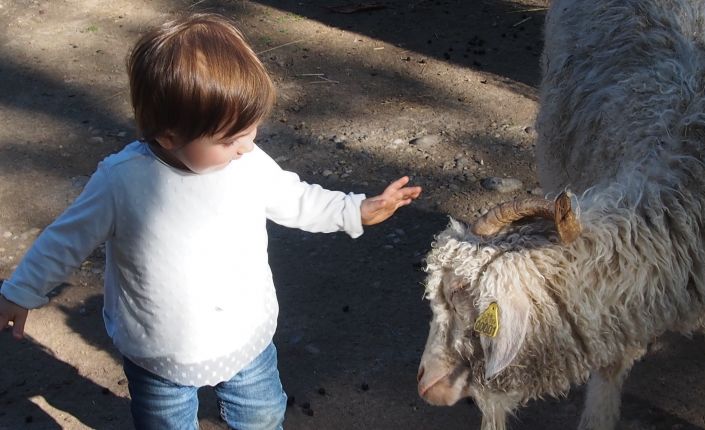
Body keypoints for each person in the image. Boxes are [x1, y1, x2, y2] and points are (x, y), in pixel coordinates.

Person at [0, 13, 421, 430]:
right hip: (158, 349)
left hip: (244, 335)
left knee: (262, 414)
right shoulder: (122, 181)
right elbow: (64, 241)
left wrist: (356, 210)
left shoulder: (248, 164)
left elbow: (297, 199)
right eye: (229, 139)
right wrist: (21, 292)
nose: (246, 146)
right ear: (167, 136)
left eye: (251, 130)